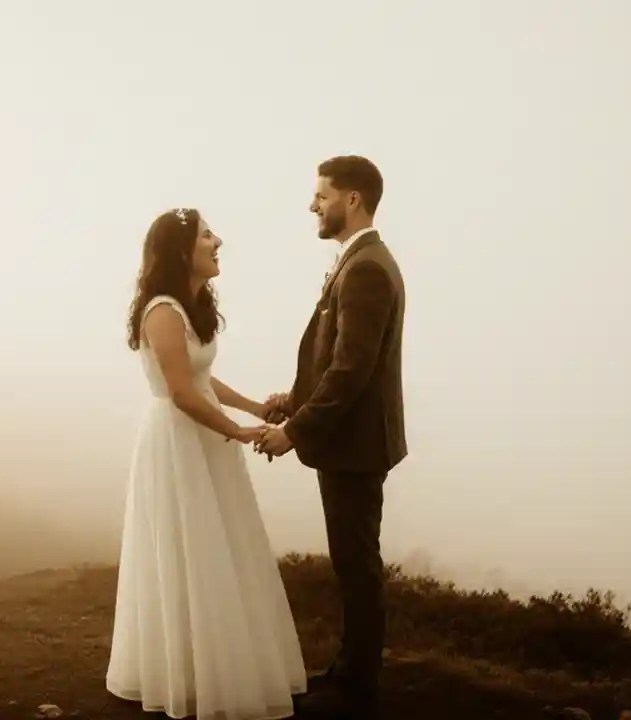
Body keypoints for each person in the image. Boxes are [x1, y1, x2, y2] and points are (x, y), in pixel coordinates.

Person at [106, 207, 307, 720]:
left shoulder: (191, 307)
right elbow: (180, 393)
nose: (218, 242)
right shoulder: (163, 312)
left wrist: (254, 409)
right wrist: (236, 432)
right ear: (180, 251)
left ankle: (215, 666)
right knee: (188, 549)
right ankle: (188, 673)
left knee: (220, 548)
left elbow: (203, 380)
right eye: (206, 236)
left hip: (203, 437)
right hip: (176, 444)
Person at [256, 155, 407, 720]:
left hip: (354, 446)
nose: (312, 205)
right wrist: (291, 400)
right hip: (353, 440)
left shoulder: (366, 267)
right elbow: (336, 363)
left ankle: (359, 685)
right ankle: (352, 671)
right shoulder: (361, 260)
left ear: (352, 200)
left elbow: (351, 371)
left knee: (357, 563)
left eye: (320, 195)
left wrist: (293, 431)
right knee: (354, 561)